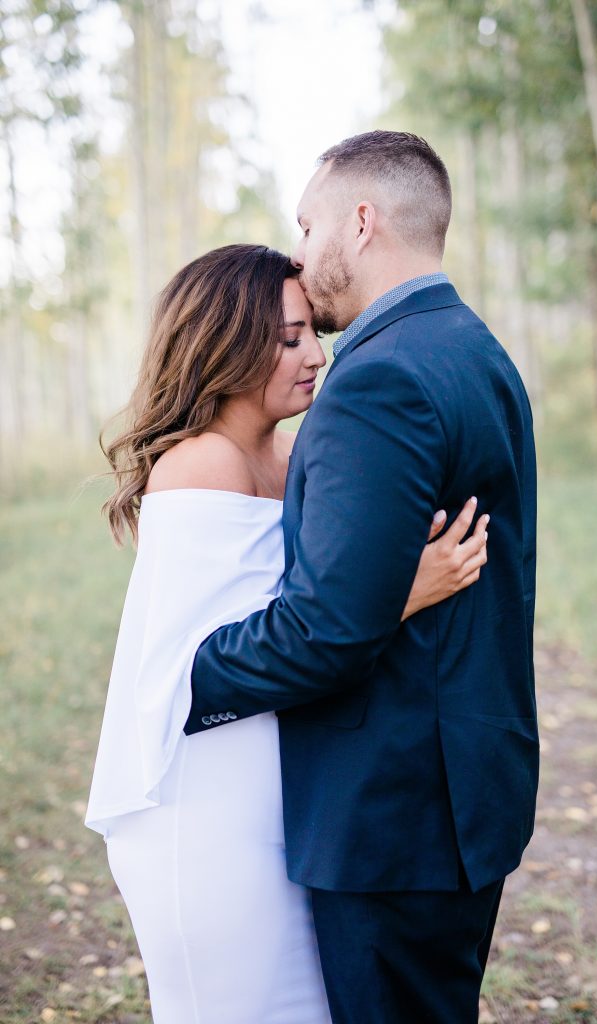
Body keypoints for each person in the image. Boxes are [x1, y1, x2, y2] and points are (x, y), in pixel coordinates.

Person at [85, 242, 489, 1024]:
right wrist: (395, 595)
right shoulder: (201, 464)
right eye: (286, 337)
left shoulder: (296, 450)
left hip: (284, 788)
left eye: (312, 332)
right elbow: (201, 667)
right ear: (222, 343)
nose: (314, 355)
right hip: (202, 805)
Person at [185, 131, 539, 1024]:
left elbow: (324, 633)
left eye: (307, 225)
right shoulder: (475, 350)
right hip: (462, 792)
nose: (300, 254)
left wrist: (188, 673)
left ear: (362, 219)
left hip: (392, 816)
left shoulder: (377, 381)